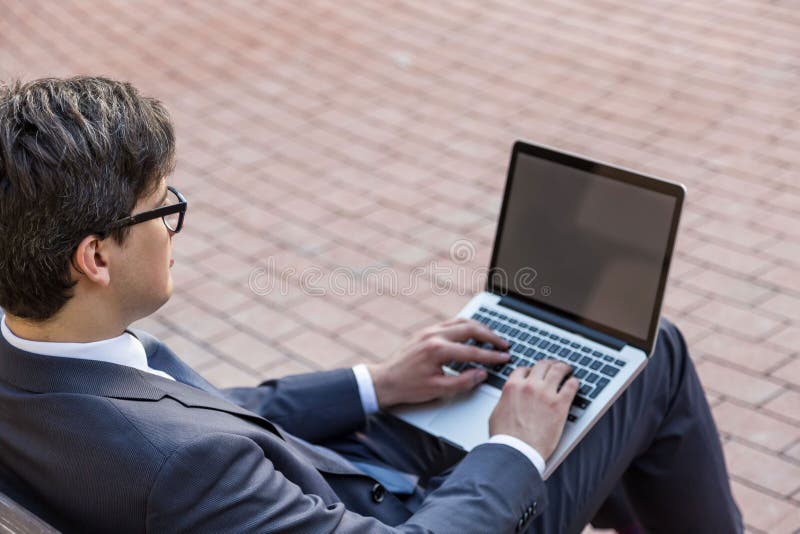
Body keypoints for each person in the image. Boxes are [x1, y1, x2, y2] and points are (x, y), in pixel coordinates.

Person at [0, 76, 742, 533]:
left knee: (510, 374)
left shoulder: (31, 353)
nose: (172, 228)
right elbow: (194, 452)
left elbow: (202, 406)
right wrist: (513, 447)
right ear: (94, 258)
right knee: (654, 358)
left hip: (329, 474)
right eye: (161, 211)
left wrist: (377, 383)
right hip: (401, 516)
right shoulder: (179, 470)